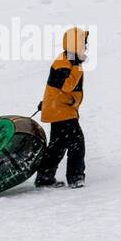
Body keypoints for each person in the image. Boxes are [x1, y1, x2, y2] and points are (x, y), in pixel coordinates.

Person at [34, 27, 88, 189]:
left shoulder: (67, 59)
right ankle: (76, 178)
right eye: (83, 43)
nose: (85, 47)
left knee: (58, 145)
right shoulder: (65, 62)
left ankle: (44, 177)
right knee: (77, 143)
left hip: (58, 109)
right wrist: (77, 66)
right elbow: (66, 85)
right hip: (61, 111)